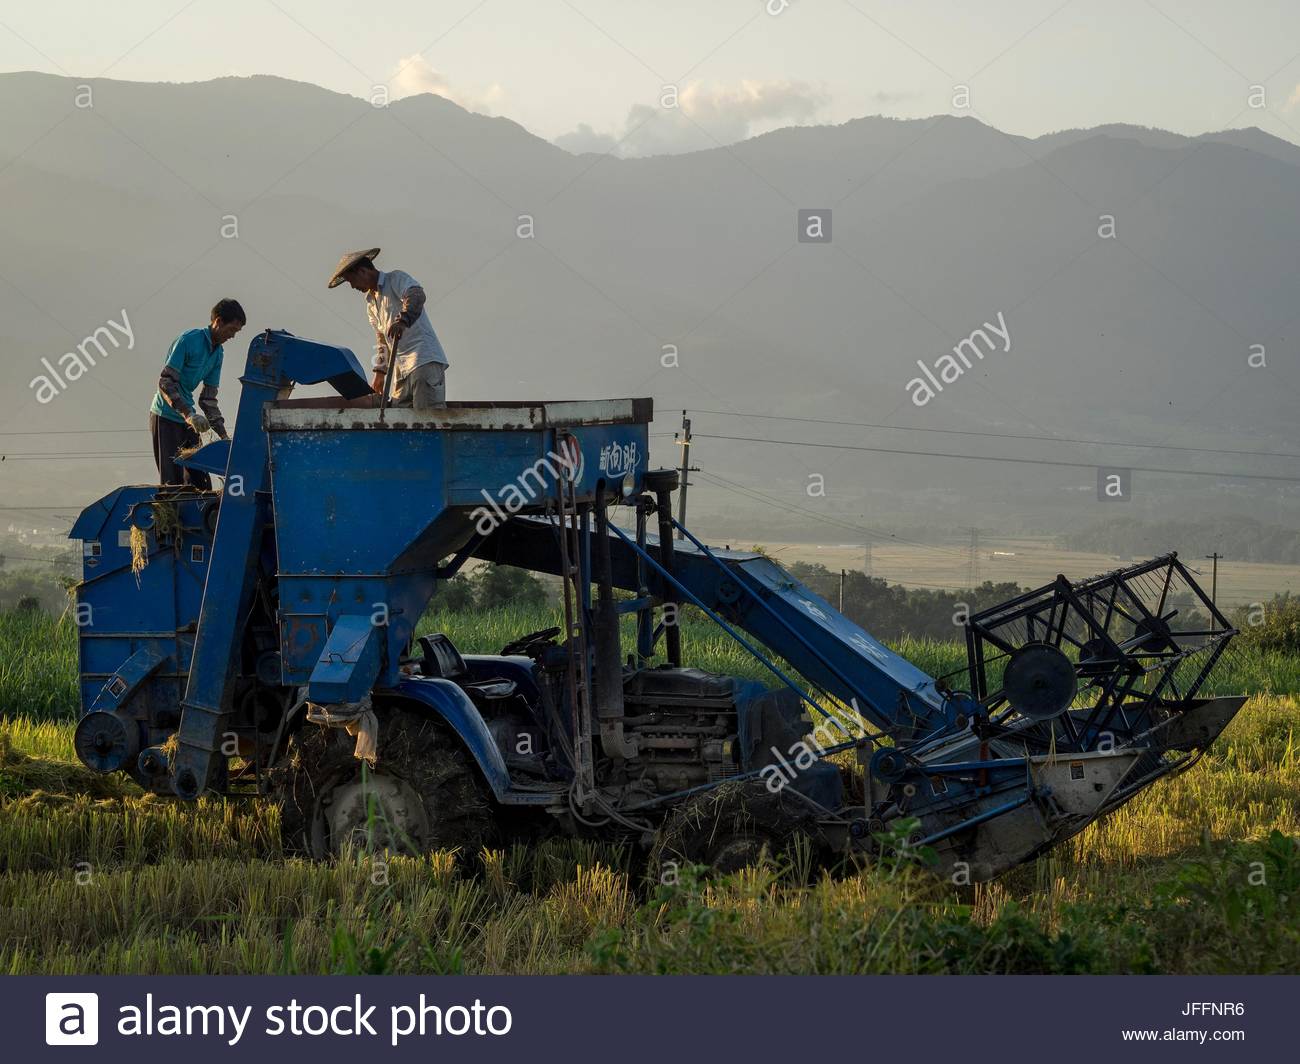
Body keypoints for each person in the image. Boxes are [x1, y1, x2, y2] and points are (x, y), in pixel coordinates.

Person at [328, 247, 448, 410]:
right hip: (400, 368)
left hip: (423, 360)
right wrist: (379, 373)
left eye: (351, 281)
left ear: (362, 271)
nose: (352, 287)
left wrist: (404, 319)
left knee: (427, 418)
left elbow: (416, 295)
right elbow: (383, 340)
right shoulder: (371, 301)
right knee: (398, 416)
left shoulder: (395, 279)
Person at [149, 298, 245, 489]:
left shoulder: (218, 354)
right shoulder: (188, 340)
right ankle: (171, 517)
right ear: (218, 321)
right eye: (232, 330)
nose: (233, 336)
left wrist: (224, 437)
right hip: (166, 417)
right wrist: (188, 414)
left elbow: (208, 399)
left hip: (190, 421)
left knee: (200, 481)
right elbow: (166, 383)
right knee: (173, 483)